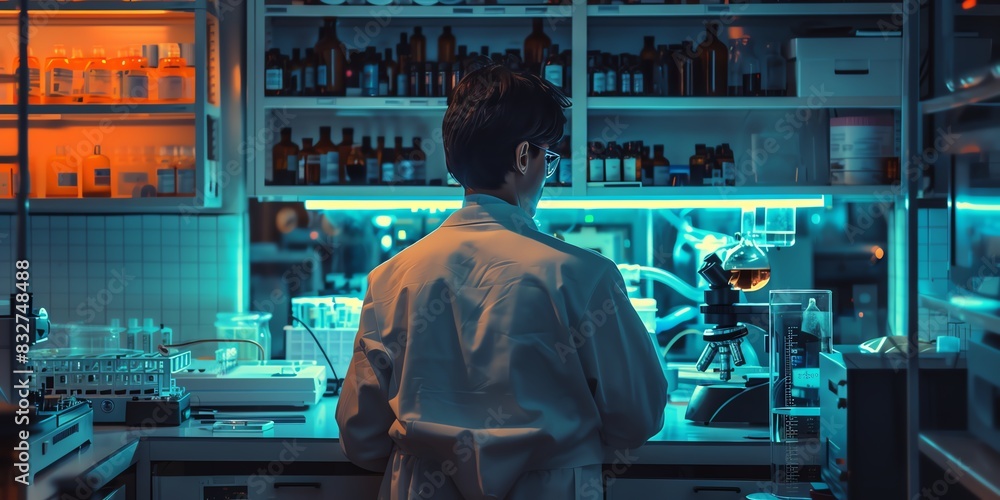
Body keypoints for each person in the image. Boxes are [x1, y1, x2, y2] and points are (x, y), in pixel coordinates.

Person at [336, 59, 668, 500]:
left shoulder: (391, 278)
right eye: (548, 159)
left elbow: (360, 435)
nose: (547, 175)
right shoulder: (584, 275)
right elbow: (638, 417)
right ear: (522, 155)